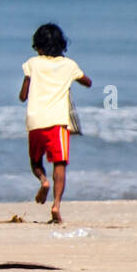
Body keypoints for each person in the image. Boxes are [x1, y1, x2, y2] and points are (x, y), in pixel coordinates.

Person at [19, 22, 91, 224]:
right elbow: (88, 82)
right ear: (61, 45)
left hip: (35, 122)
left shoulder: (32, 63)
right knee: (59, 164)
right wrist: (71, 79)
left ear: (38, 46)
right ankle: (56, 204)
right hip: (58, 123)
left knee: (36, 163)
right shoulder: (69, 65)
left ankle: (43, 181)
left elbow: (23, 96)